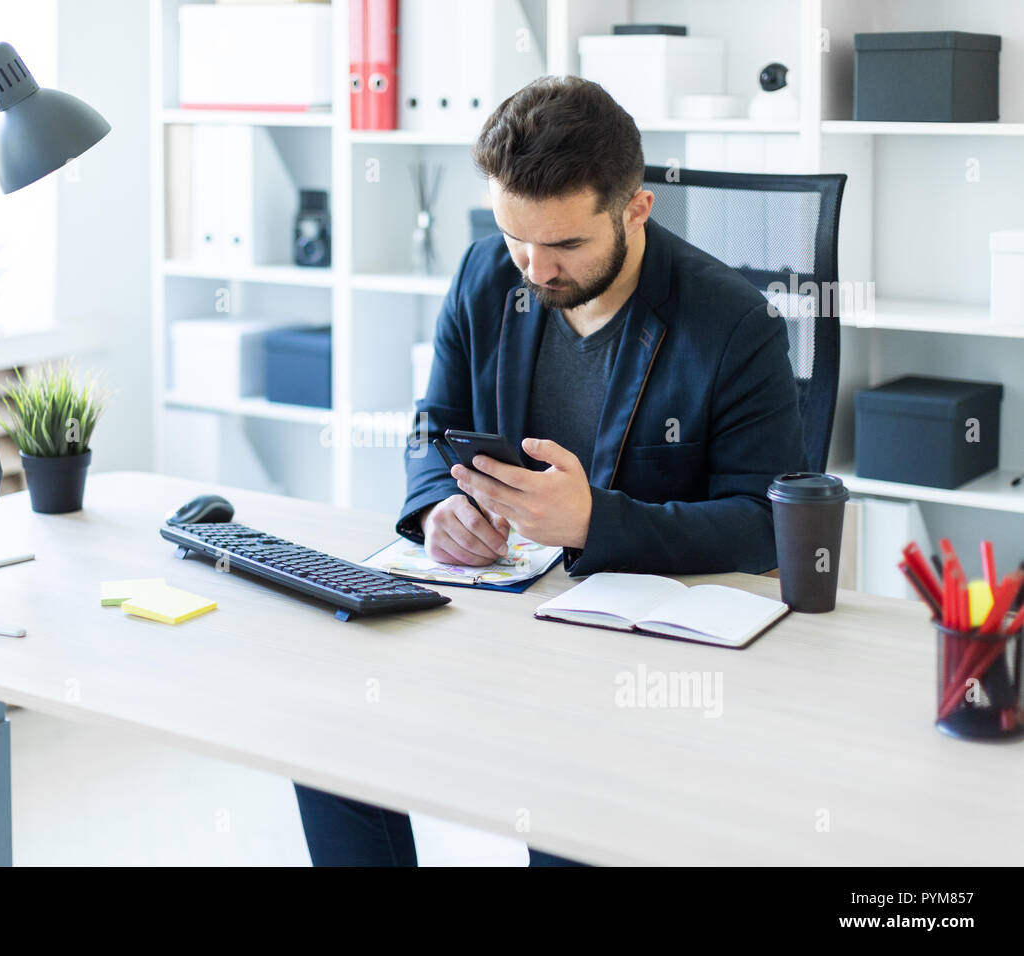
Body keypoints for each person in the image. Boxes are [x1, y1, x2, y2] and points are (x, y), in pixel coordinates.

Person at [294, 75, 807, 866]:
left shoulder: (733, 324)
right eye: (515, 239)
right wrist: (436, 507)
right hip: (497, 619)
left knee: (569, 821)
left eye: (565, 245)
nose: (534, 270)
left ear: (635, 209)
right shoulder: (483, 275)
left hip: (633, 654)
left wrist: (594, 522)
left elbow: (764, 521)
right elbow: (433, 425)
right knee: (328, 736)